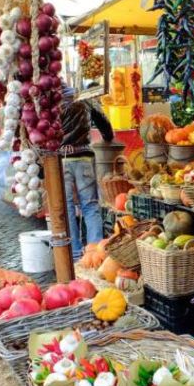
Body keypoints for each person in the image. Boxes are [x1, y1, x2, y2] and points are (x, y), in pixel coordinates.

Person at [60, 87, 114, 260]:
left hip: (61, 159)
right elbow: (104, 123)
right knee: (90, 206)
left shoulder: (51, 99)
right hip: (83, 157)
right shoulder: (83, 97)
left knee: (67, 207)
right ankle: (96, 253)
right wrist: (107, 137)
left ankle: (75, 255)